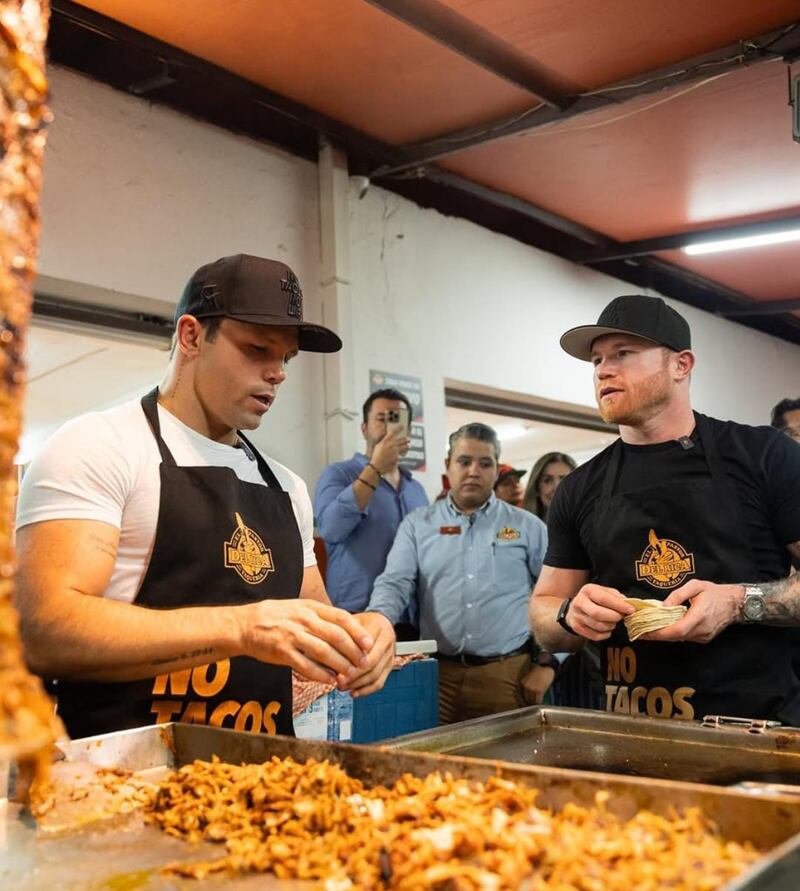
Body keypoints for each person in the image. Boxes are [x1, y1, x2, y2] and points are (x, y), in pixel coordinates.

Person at [15, 254, 395, 739]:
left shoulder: (285, 487)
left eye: (286, 359)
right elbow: (45, 630)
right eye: (257, 349)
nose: (277, 372)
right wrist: (241, 629)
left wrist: (365, 634)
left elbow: (315, 620)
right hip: (122, 785)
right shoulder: (100, 446)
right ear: (192, 335)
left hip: (263, 781)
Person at [530, 294, 800, 724]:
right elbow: (544, 611)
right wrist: (569, 613)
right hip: (632, 734)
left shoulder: (763, 457)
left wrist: (739, 601)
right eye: (597, 360)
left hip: (757, 735)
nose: (604, 370)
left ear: (681, 365)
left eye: (624, 353)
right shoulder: (580, 488)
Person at [367, 422, 554, 724]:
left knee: (506, 768)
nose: (473, 471)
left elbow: (554, 596)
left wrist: (549, 664)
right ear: (448, 467)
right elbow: (395, 582)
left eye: (485, 463)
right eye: (464, 461)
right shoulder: (418, 525)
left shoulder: (528, 527)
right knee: (432, 766)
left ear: (496, 470)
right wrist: (376, 618)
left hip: (506, 676)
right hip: (434, 677)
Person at [313, 388, 428, 632]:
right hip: (355, 615)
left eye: (397, 419)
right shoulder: (339, 474)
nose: (389, 427)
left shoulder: (416, 490)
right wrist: (375, 467)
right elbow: (331, 530)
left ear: (408, 431)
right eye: (382, 418)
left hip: (409, 618)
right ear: (364, 428)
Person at [522, 452, 576, 521]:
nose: (557, 488)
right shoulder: (522, 526)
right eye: (547, 480)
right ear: (536, 488)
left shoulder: (591, 523)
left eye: (565, 480)